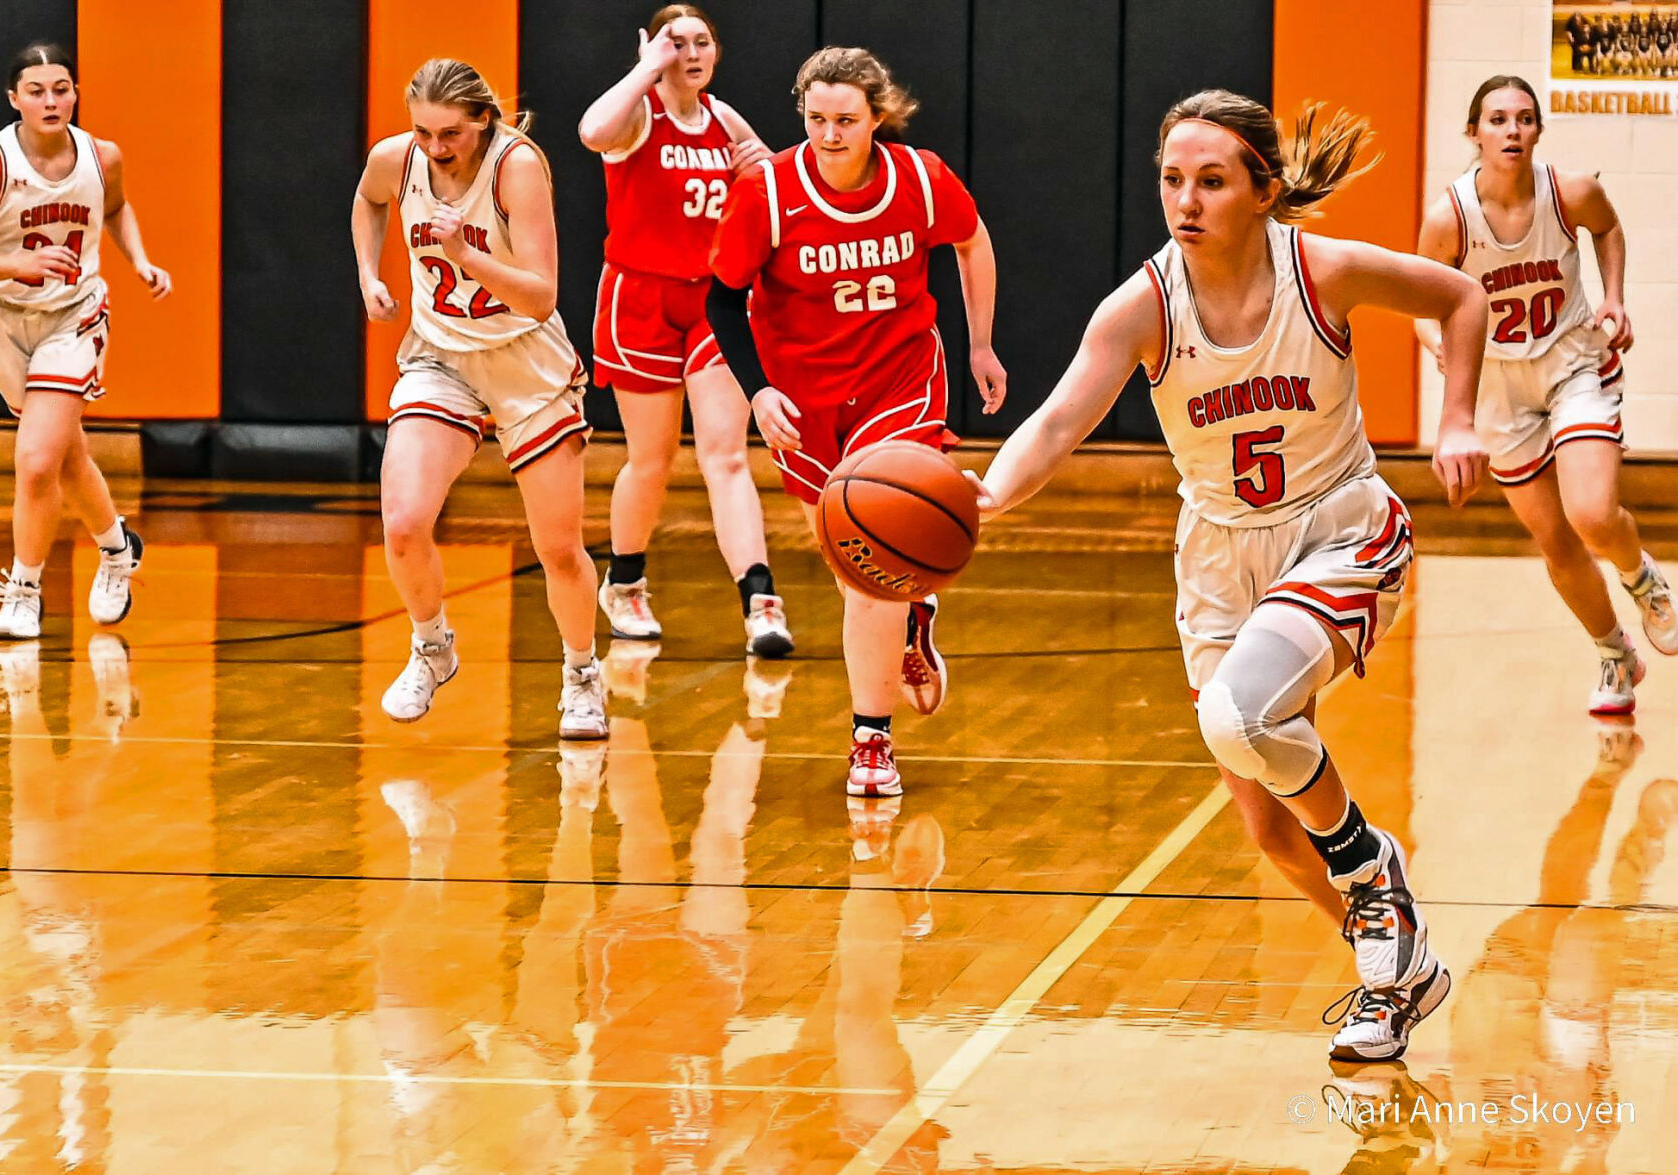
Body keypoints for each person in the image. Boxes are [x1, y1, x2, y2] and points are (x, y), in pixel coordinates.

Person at [974, 89, 1493, 1062]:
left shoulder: (1321, 269)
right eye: (1172, 179)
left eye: (1210, 180)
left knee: (1241, 717)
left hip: (1339, 529)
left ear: (1262, 189)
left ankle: (1372, 869)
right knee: (1263, 823)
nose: (1186, 198)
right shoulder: (1142, 305)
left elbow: (1459, 298)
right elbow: (1050, 423)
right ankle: (1395, 965)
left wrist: (1456, 414)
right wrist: (985, 495)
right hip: (1218, 557)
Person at [706, 46, 1006, 797]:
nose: (830, 134)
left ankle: (870, 739)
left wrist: (978, 343)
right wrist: (757, 392)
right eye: (815, 119)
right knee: (854, 563)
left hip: (898, 380)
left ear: (878, 116)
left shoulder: (919, 178)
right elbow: (720, 300)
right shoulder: (768, 191)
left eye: (845, 119)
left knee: (871, 572)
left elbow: (971, 242)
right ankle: (912, 613)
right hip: (804, 400)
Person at [351, 58, 607, 738]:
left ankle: (581, 671)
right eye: (424, 132)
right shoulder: (398, 158)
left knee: (557, 548)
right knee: (404, 523)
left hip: (526, 361)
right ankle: (432, 646)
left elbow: (541, 293)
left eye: (451, 134)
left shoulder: (517, 167)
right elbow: (368, 198)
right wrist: (368, 276)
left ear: (484, 121)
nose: (436, 148)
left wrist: (467, 255)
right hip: (441, 354)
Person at [1417, 76, 1675, 716]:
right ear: (1474, 132)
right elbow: (1421, 301)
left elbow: (1607, 229)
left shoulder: (1569, 192)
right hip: (1497, 388)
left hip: (1570, 362)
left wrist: (1614, 297)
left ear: (1537, 130)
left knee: (1591, 512)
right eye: (1498, 119)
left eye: (1524, 119)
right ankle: (1616, 654)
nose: (1512, 130)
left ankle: (1642, 578)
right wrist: (1437, 344)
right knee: (1555, 539)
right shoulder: (1449, 217)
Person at [0, 42, 169, 641]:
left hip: (75, 316)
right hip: (5, 320)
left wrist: (139, 260)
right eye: (36, 91)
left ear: (75, 93)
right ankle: (117, 549)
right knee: (64, 456)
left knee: (36, 460)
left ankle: (24, 590)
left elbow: (116, 209)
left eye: (61, 88)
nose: (50, 99)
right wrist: (14, 265)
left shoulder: (101, 155)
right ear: (14, 100)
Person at [579, 4, 793, 659]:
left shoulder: (725, 121)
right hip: (637, 297)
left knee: (726, 453)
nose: (690, 52)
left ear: (716, 52)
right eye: (677, 42)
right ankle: (625, 581)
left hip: (712, 303)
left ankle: (760, 602)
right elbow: (591, 131)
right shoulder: (640, 114)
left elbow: (780, 183)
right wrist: (646, 70)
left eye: (701, 41)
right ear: (656, 49)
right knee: (652, 458)